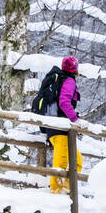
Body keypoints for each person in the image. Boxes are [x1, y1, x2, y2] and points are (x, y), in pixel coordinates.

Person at [32, 56, 83, 194]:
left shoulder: (59, 79)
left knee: (77, 160)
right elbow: (64, 102)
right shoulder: (69, 81)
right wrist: (75, 119)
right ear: (75, 69)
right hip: (59, 127)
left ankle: (66, 189)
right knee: (61, 163)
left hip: (55, 126)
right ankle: (56, 191)